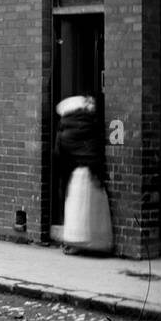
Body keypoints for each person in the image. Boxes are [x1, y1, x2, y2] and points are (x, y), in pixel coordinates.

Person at [55, 94, 112, 255]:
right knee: (91, 209)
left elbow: (60, 153)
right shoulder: (91, 126)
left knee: (77, 209)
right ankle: (97, 243)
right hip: (92, 172)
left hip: (76, 172)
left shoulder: (66, 129)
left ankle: (75, 243)